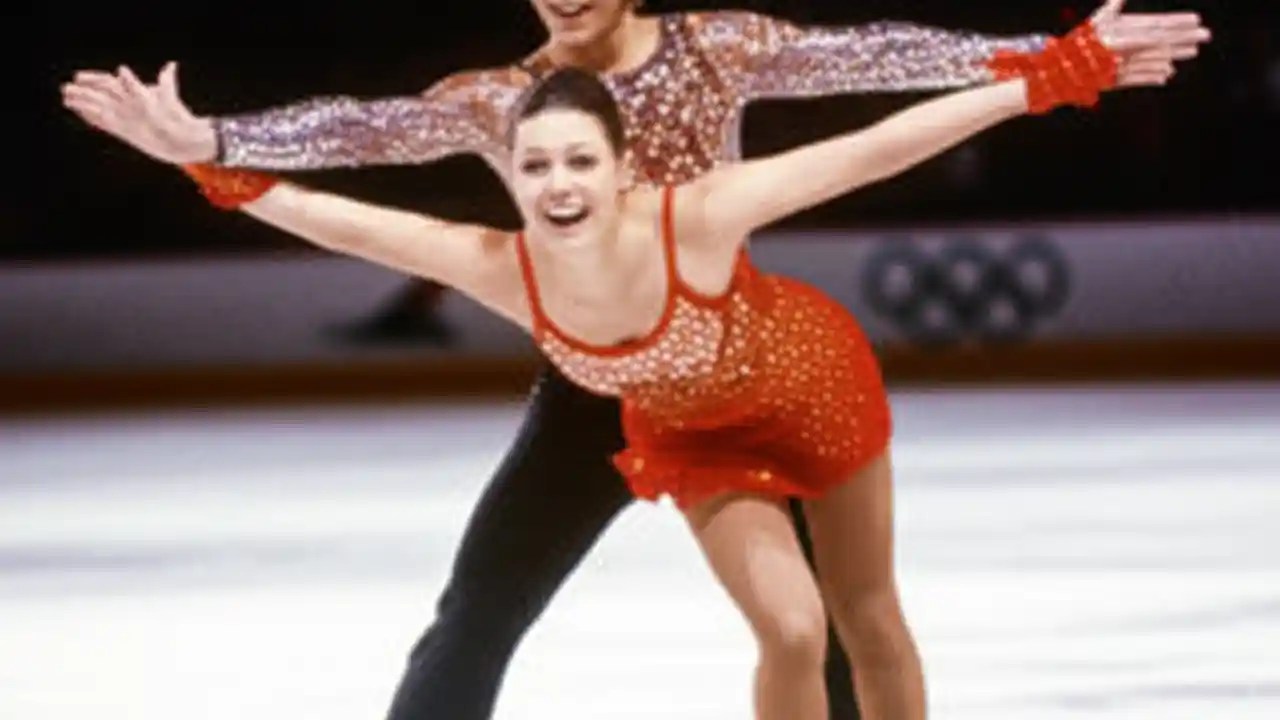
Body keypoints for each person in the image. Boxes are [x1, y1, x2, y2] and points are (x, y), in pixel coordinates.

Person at [61, 2, 1208, 718]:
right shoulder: (501, 100)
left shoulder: (716, 52)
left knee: (839, 630)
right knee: (481, 606)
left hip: (753, 365)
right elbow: (360, 135)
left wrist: (1057, 59)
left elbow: (878, 68)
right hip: (594, 387)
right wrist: (212, 144)